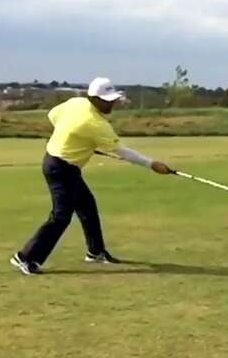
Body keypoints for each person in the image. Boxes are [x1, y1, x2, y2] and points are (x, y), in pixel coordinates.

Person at [10, 77, 174, 275]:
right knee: (61, 217)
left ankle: (95, 251)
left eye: (113, 99)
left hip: (62, 163)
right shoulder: (95, 124)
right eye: (107, 100)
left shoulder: (76, 103)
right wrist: (152, 164)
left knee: (87, 206)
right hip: (60, 168)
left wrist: (70, 136)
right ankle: (26, 257)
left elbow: (52, 115)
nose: (112, 103)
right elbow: (122, 152)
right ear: (94, 98)